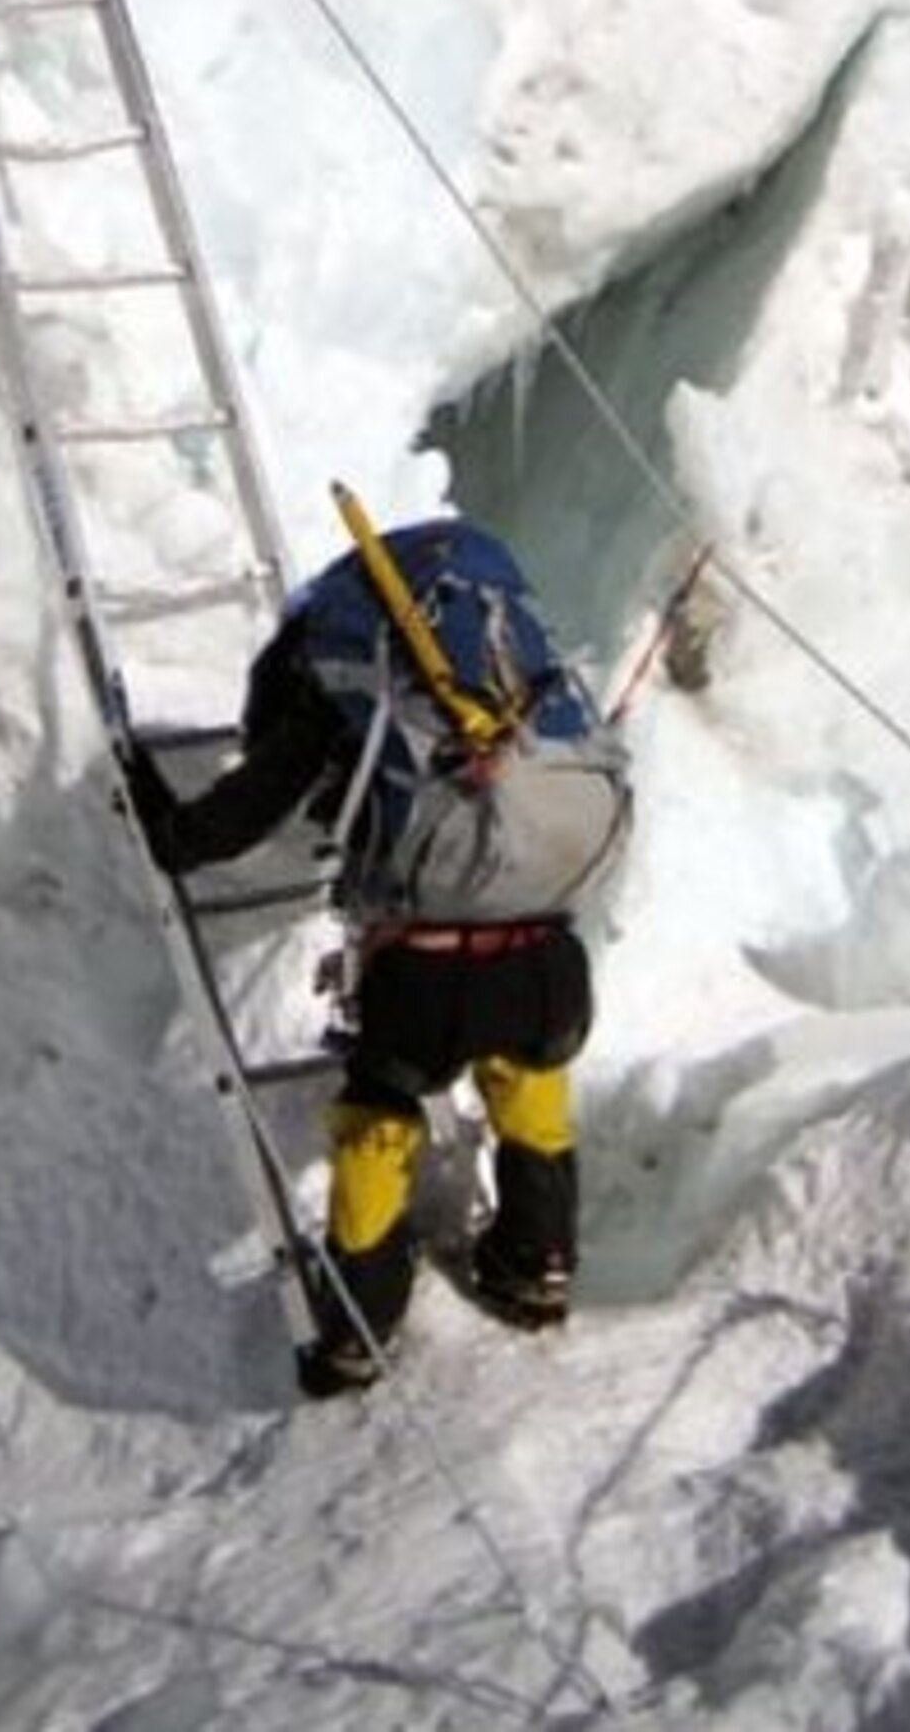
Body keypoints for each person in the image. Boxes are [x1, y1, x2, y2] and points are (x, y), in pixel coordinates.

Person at [122, 523, 603, 1402]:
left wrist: (158, 815)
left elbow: (226, 826)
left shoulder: (353, 687)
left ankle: (356, 1322)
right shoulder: (521, 679)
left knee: (378, 1111)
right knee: (529, 1080)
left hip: (423, 983)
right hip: (550, 964)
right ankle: (535, 1265)